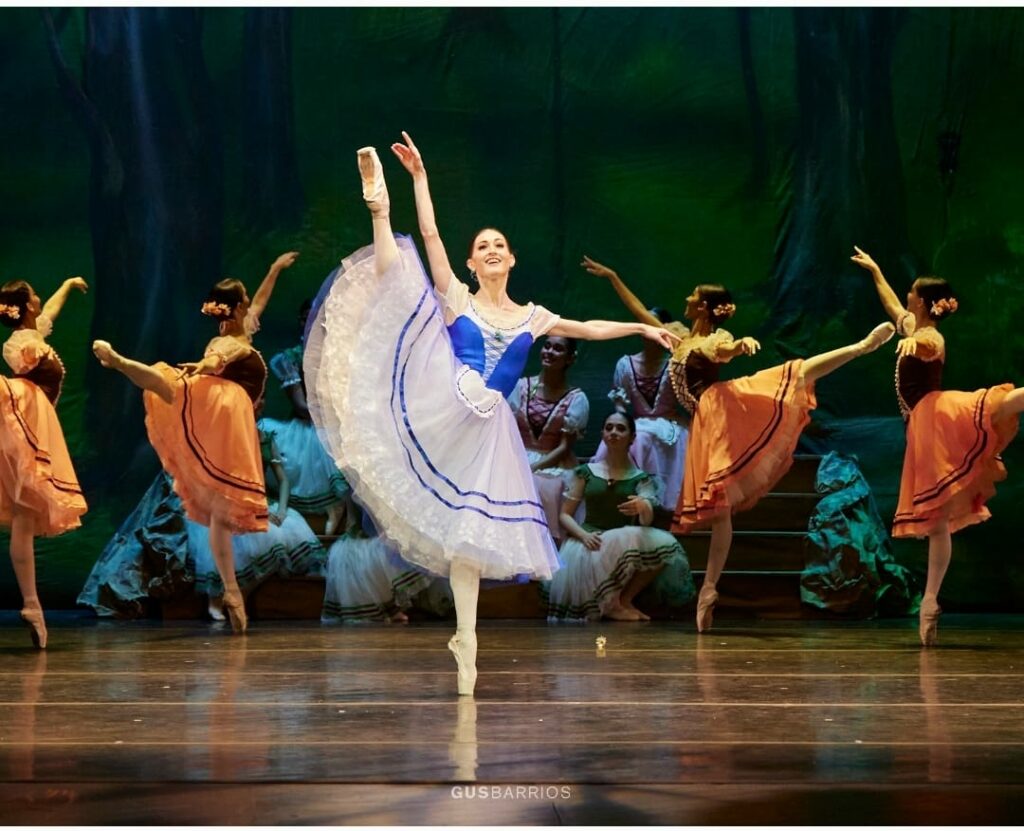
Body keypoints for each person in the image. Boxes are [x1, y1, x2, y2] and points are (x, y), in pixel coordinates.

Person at [303, 133, 678, 695]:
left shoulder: (532, 316)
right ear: (473, 263)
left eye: (501, 244)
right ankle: (379, 206)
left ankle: (466, 640)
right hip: (445, 401)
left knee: (468, 538)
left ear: (513, 258)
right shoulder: (457, 296)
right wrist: (420, 178)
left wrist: (642, 326)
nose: (493, 250)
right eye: (483, 246)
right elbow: (429, 234)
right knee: (400, 270)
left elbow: (588, 328)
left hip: (488, 429)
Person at [584, 254, 895, 632]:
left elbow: (725, 350)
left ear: (704, 306)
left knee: (794, 375)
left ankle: (861, 346)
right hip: (705, 417)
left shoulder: (716, 338)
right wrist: (614, 274)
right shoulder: (681, 335)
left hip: (721, 408)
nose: (686, 297)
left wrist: (741, 345)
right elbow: (639, 316)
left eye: (693, 295)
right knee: (720, 510)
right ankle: (709, 590)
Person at [92, 252, 298, 633]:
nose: (253, 302)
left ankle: (232, 591)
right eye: (247, 300)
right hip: (226, 413)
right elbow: (217, 358)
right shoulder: (228, 344)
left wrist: (274, 269)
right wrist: (203, 367)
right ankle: (121, 362)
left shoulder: (244, 330)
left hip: (231, 421)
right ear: (236, 309)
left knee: (221, 512)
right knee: (165, 382)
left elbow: (261, 302)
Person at [853, 246, 1022, 646]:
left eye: (913, 292)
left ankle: (930, 601)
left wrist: (915, 346)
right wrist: (876, 270)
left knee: (1000, 403)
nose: (908, 296)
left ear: (926, 302)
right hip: (921, 426)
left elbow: (927, 344)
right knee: (938, 521)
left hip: (936, 418)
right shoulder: (914, 324)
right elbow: (894, 307)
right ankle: (930, 602)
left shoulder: (930, 335)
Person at [1, 276, 89, 648]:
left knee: (25, 518)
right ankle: (32, 605)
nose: (40, 299)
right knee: (23, 515)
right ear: (26, 306)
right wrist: (32, 351)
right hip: (24, 420)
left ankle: (33, 606)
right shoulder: (20, 343)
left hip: (35, 421)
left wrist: (67, 285)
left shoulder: (32, 333)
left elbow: (48, 313)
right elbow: (23, 355)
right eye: (34, 295)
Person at [546, 412, 692, 621]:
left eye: (621, 428)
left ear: (632, 437)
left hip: (620, 545)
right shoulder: (586, 472)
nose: (614, 432)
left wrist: (643, 506)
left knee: (665, 543)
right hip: (589, 541)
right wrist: (583, 536)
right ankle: (611, 603)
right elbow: (565, 515)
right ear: (603, 434)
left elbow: (646, 522)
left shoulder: (640, 478)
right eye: (609, 427)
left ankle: (623, 600)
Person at [261, 299, 352, 533]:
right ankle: (327, 507)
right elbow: (301, 405)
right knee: (266, 430)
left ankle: (339, 509)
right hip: (304, 426)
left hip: (330, 423)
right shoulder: (291, 357)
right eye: (304, 319)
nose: (308, 323)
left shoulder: (335, 355)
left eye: (314, 318)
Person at [508, 335, 589, 540]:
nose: (550, 352)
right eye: (547, 346)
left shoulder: (575, 398)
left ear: (570, 358)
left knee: (545, 487)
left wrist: (532, 468)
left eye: (558, 349)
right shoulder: (521, 387)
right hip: (517, 456)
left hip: (553, 462)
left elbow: (564, 447)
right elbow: (508, 432)